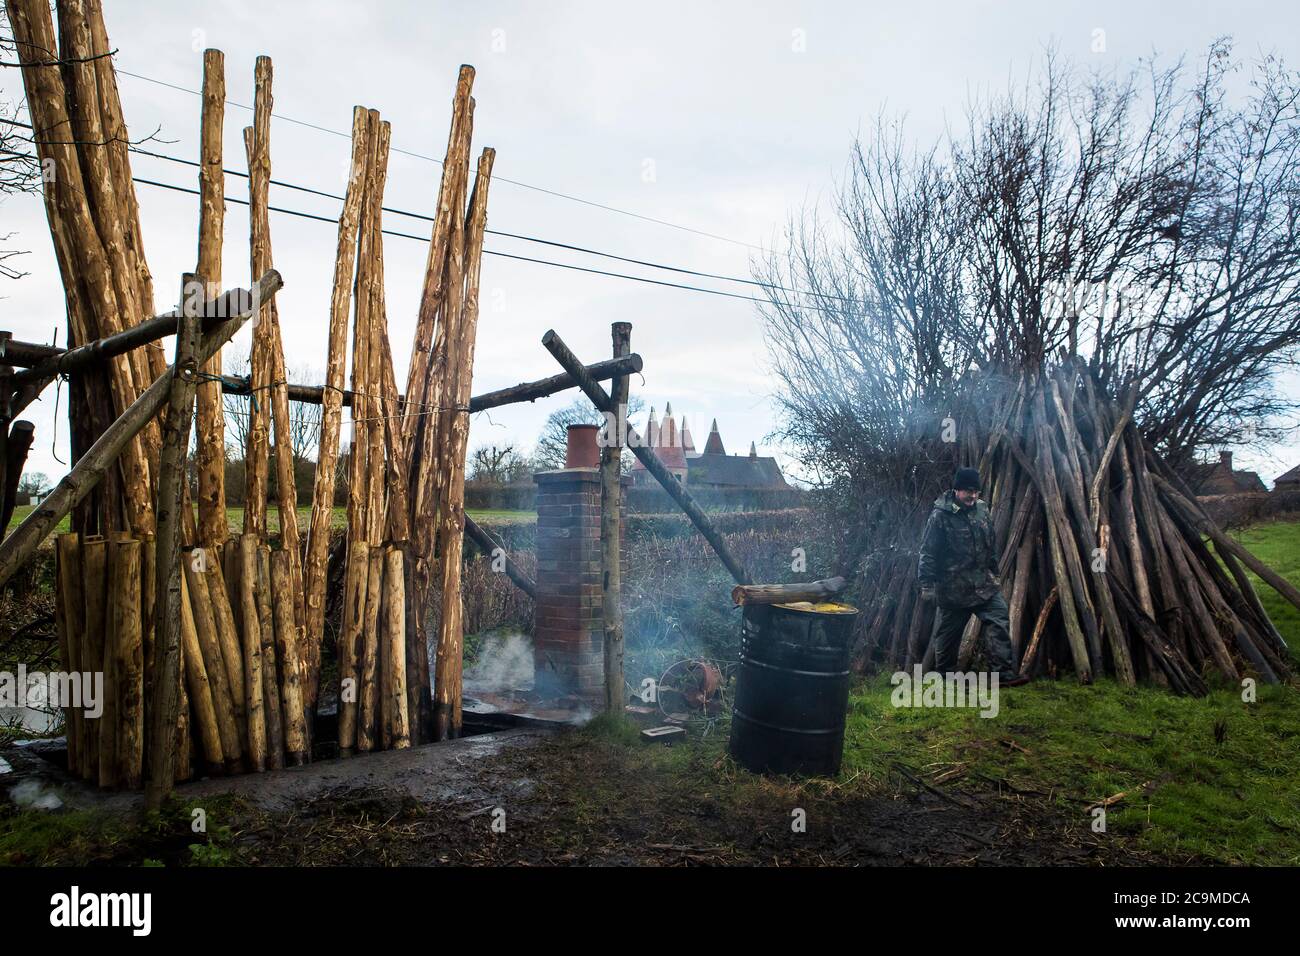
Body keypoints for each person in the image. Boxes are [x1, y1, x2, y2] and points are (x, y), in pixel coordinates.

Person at [917, 467, 1029, 686]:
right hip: (953, 589)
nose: (973, 496)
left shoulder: (981, 509)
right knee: (948, 636)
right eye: (968, 491)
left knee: (998, 621)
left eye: (976, 491)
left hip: (983, 585)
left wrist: (994, 570)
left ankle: (1003, 675)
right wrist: (927, 585)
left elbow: (990, 542)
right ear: (957, 490)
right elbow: (928, 552)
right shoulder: (940, 516)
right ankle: (946, 678)